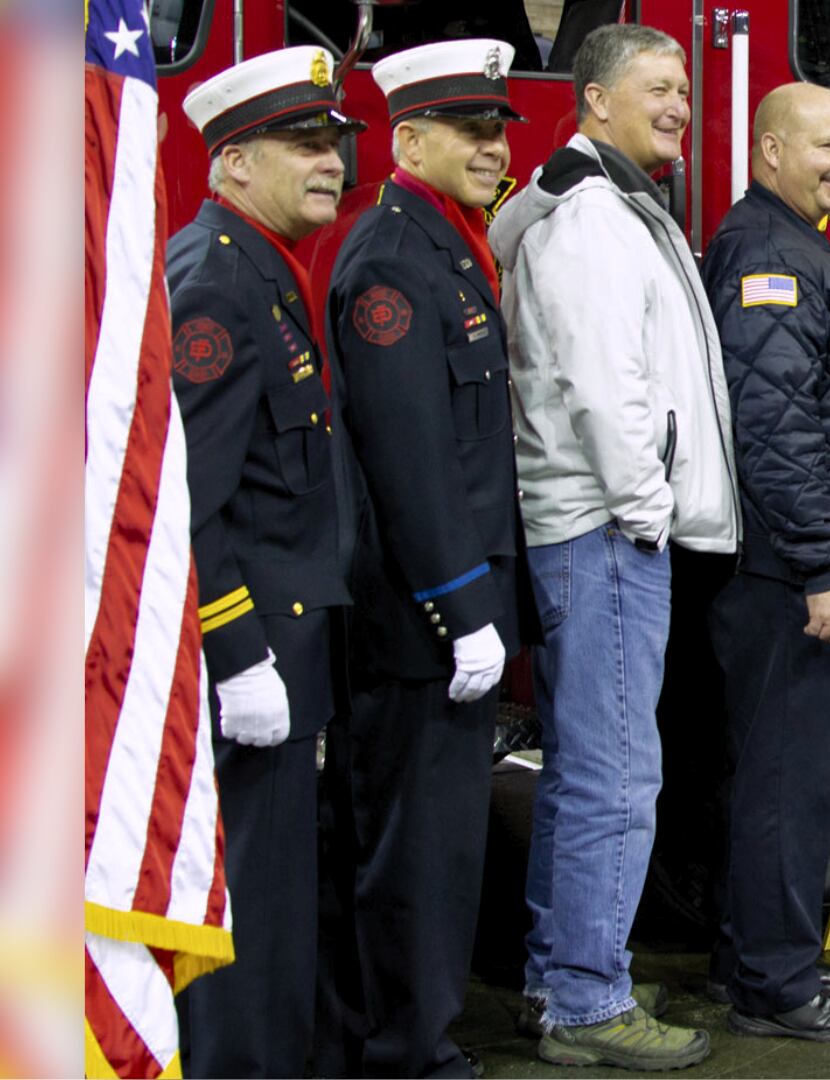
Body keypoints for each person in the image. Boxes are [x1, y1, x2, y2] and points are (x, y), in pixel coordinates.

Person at [488, 24, 735, 1071]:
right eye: (656, 88)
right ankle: (590, 997)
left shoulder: (615, 206)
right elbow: (604, 387)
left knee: (593, 768)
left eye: (685, 87)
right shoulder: (594, 218)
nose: (679, 103)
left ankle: (560, 981)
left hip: (598, 528)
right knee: (616, 774)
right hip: (606, 532)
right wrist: (647, 511)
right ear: (593, 101)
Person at [321, 39, 536, 1077]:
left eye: (498, 129)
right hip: (422, 621)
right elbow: (409, 461)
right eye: (470, 130)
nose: (493, 149)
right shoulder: (393, 261)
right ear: (407, 139)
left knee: (441, 845)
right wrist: (465, 607)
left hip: (452, 609)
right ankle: (403, 1048)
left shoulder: (448, 244)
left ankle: (420, 1032)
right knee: (414, 850)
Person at [699, 81, 830, 1043]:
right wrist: (826, 565)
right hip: (787, 578)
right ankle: (778, 988)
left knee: (768, 775)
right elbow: (775, 430)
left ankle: (755, 954)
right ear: (767, 150)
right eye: (823, 143)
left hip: (793, 570)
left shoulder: (793, 243)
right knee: (785, 783)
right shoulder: (771, 259)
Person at [166, 47, 365, 1078]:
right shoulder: (218, 287)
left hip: (293, 650)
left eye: (333, 146)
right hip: (252, 660)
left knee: (291, 897)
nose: (329, 164)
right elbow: (183, 505)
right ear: (232, 164)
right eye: (303, 146)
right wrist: (236, 651)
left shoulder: (264, 273)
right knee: (249, 902)